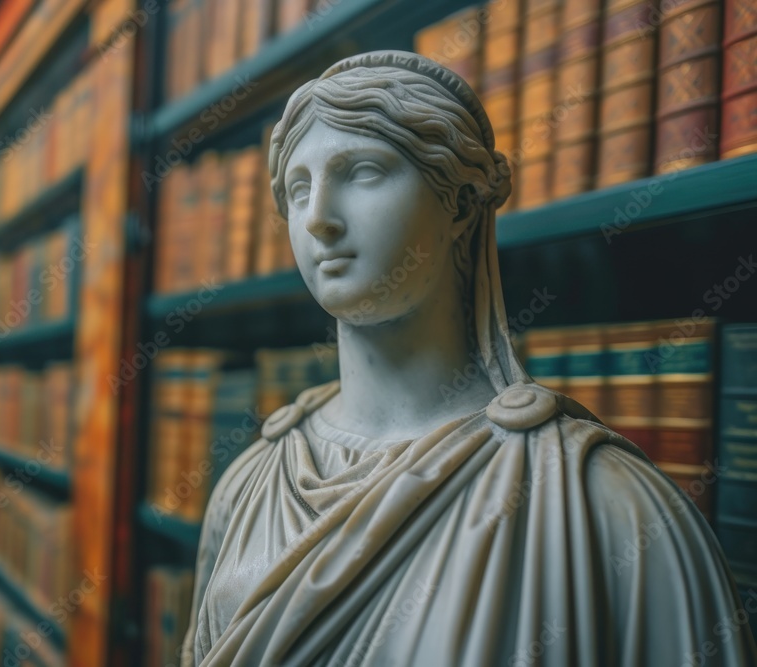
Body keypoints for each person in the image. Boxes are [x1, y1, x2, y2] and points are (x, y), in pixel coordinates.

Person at [180, 51, 757, 666]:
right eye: (299, 188)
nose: (318, 218)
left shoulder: (611, 509)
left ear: (458, 204)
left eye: (363, 172)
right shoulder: (247, 487)